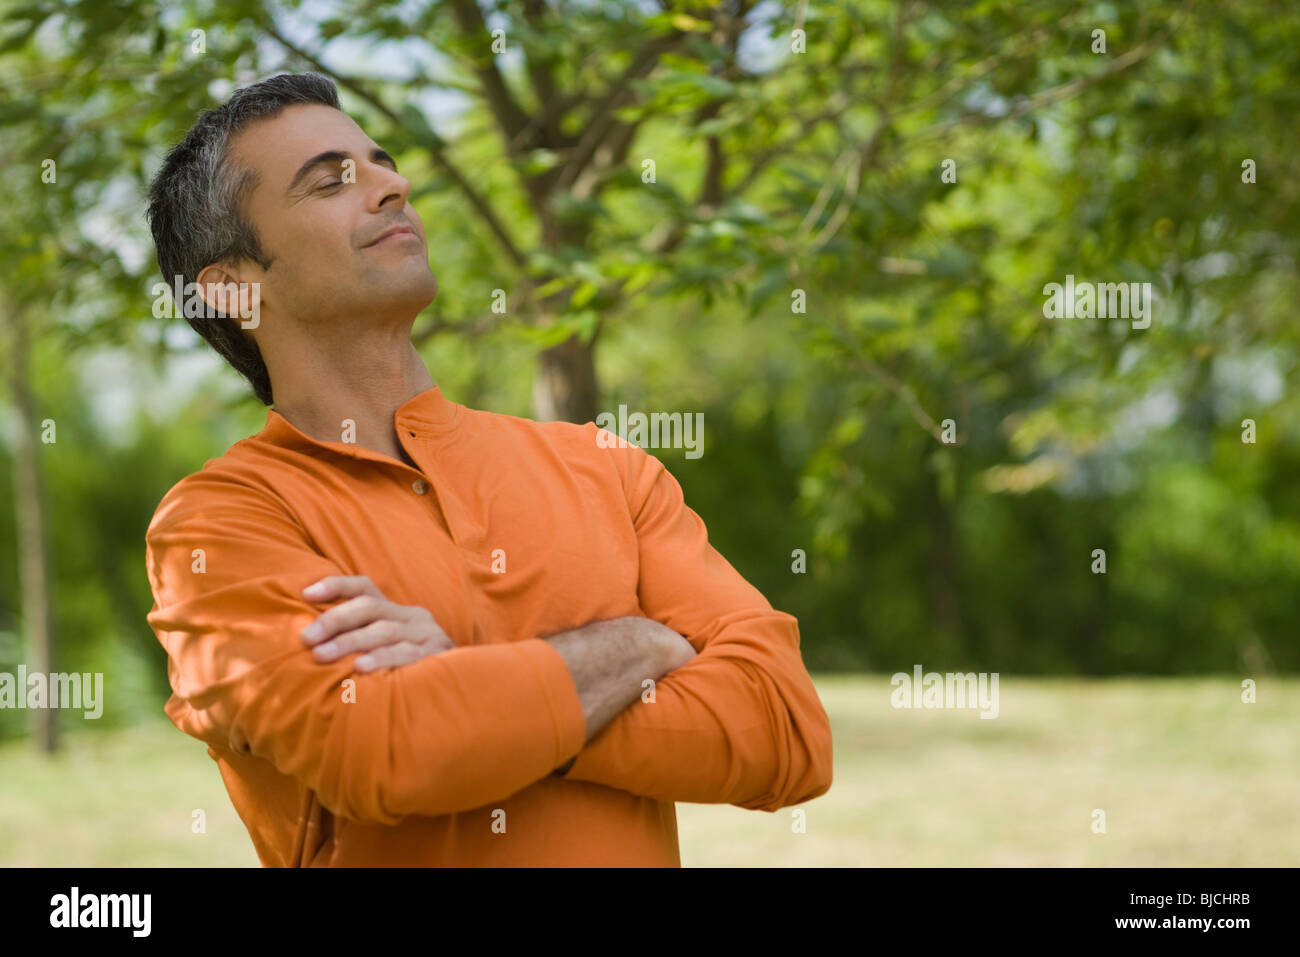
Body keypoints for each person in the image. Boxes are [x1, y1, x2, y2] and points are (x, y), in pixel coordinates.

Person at [143, 72, 832, 866]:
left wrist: (467, 679)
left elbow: (786, 729)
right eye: (330, 180)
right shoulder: (218, 524)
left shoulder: (606, 469)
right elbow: (386, 750)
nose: (393, 186)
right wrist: (640, 645)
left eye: (382, 163)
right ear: (233, 288)